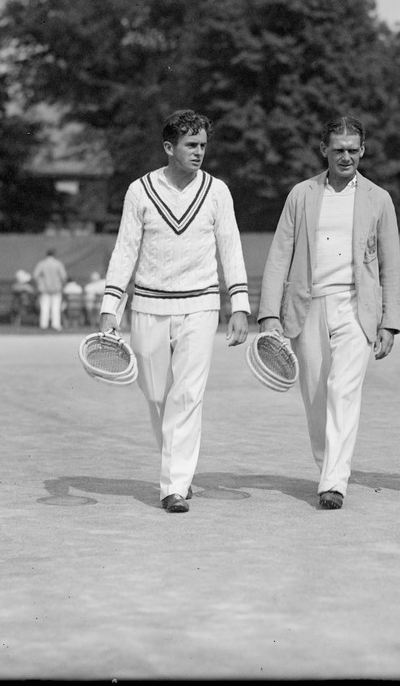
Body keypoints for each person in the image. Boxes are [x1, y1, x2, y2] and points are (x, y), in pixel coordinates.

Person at [100, 109, 250, 515]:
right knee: (155, 393)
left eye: (203, 145)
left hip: (200, 305)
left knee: (187, 395)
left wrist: (239, 305)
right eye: (191, 145)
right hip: (148, 305)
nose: (199, 152)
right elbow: (125, 250)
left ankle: (174, 486)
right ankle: (175, 468)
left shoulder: (217, 191)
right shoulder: (140, 191)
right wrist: (110, 308)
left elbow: (231, 247)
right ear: (169, 147)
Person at [258, 115, 400, 510]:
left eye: (353, 150)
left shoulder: (379, 198)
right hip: (308, 306)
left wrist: (390, 323)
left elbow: (391, 264)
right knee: (316, 396)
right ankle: (327, 467)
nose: (346, 157)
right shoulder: (300, 194)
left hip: (357, 308)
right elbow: (279, 256)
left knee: (343, 388)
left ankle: (334, 481)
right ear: (324, 150)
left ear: (363, 151)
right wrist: (270, 314)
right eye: (338, 150)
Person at [33, 249, 68, 331]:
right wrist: (62, 284)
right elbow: (63, 276)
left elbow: (35, 275)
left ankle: (43, 325)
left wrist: (40, 284)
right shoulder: (58, 263)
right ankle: (56, 325)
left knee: (44, 307)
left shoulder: (42, 263)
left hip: (45, 289)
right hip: (56, 288)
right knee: (56, 307)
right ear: (54, 254)